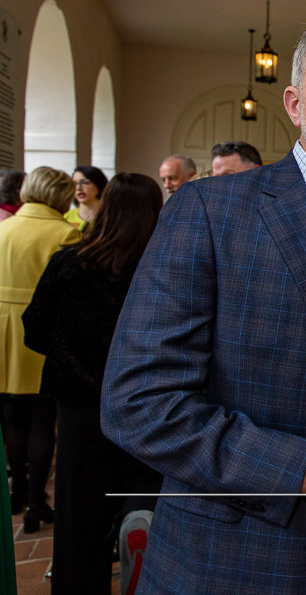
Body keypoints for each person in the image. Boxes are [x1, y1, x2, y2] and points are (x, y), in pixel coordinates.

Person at [102, 13, 306, 595]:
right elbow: (137, 402)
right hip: (242, 555)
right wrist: (299, 467)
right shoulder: (209, 212)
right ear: (294, 102)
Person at [22, 173, 164, 594]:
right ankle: (141, 531)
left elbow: (35, 329)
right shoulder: (160, 266)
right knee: (145, 486)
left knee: (77, 510)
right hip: (147, 401)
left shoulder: (71, 262)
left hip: (82, 404)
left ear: (106, 206)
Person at [0, 167, 80, 532]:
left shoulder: (4, 228)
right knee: (42, 418)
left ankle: (15, 492)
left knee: (12, 416)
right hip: (39, 332)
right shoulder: (65, 233)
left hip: (2, 329)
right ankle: (36, 502)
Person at [64, 164, 108, 230]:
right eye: (75, 183)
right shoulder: (66, 218)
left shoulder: (110, 218)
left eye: (84, 182)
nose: (78, 187)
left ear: (99, 185)